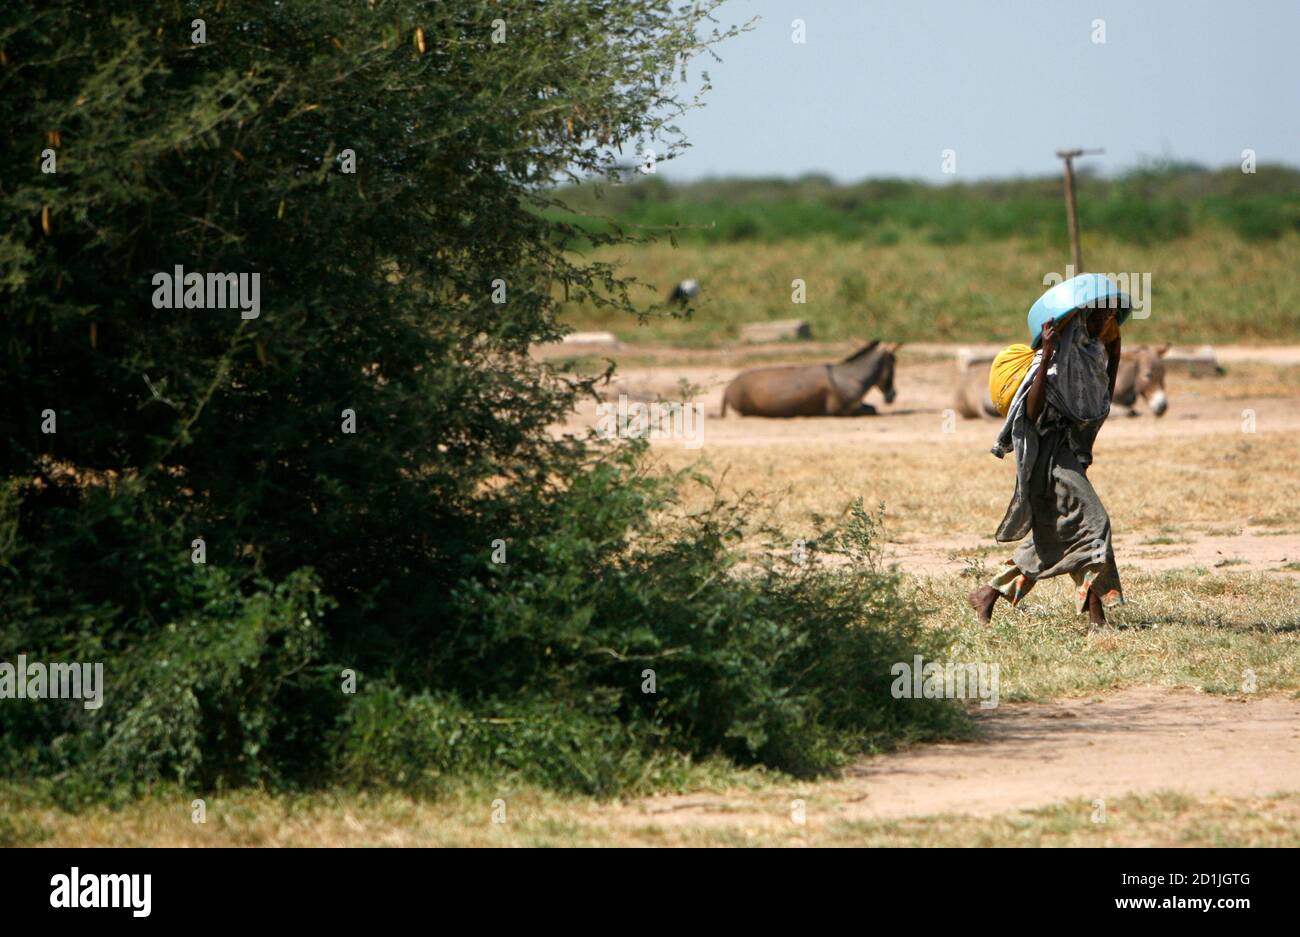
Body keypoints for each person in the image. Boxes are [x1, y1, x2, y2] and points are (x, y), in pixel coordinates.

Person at [968, 284, 1126, 631]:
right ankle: (1097, 618)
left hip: (1069, 454)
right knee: (1095, 523)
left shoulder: (1087, 360)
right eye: (1099, 314)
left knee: (1061, 533)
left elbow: (1099, 406)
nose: (1106, 321)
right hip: (1048, 458)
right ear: (1080, 319)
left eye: (1111, 315)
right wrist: (1050, 350)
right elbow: (1032, 410)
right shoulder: (1049, 361)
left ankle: (989, 594)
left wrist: (1114, 358)